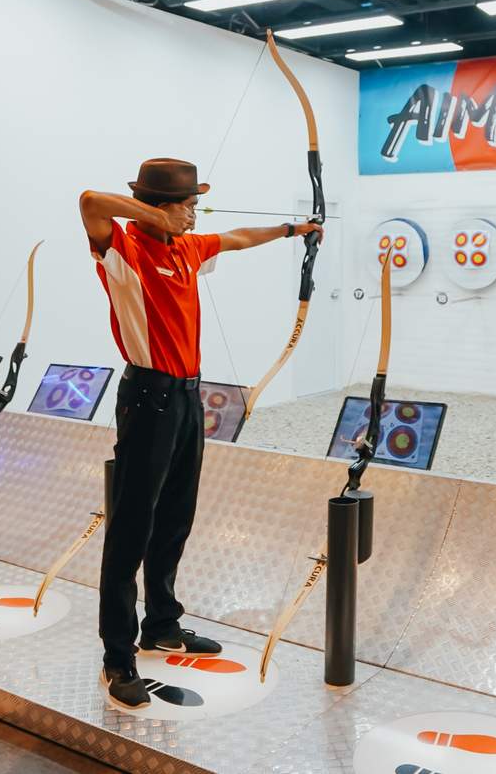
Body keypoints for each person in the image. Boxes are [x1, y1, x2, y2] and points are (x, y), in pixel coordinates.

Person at [79, 158, 323, 710]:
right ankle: (117, 657)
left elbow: (236, 238)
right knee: (131, 529)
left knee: (174, 517)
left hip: (188, 398)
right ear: (159, 207)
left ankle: (162, 624)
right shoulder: (122, 249)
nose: (194, 214)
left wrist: (293, 230)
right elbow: (90, 201)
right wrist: (151, 217)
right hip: (148, 397)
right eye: (187, 205)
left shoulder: (186, 249)